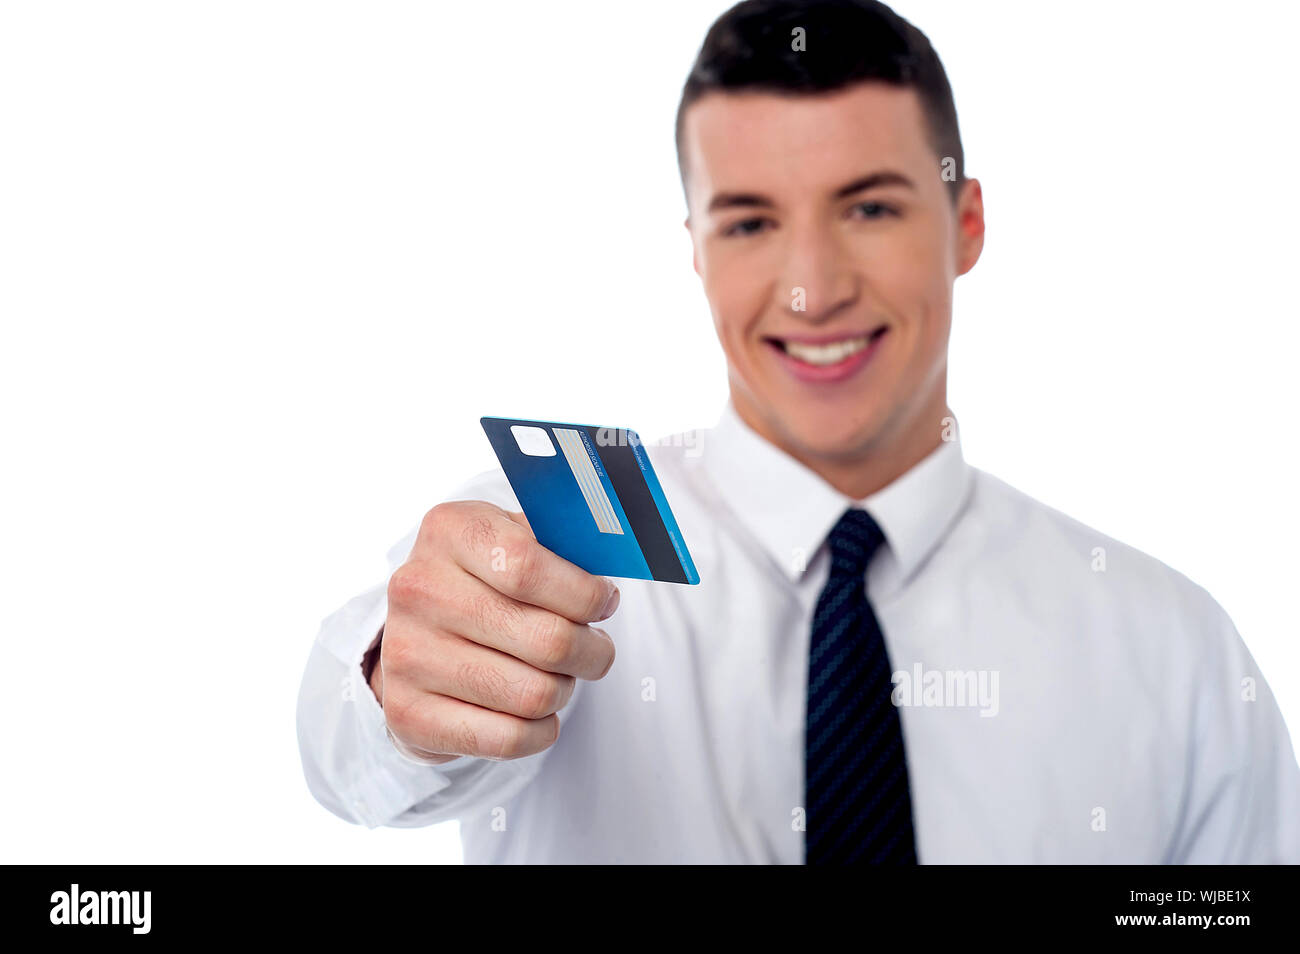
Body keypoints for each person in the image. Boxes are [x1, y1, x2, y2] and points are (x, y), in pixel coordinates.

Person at [295, 0, 1300, 863]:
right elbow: (351, 759)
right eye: (748, 222)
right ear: (694, 250)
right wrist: (399, 684)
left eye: (867, 207)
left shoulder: (1172, 646)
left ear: (966, 225)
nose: (811, 288)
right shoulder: (557, 532)